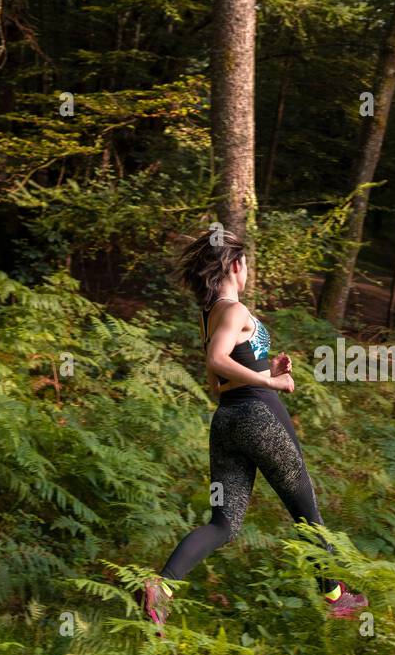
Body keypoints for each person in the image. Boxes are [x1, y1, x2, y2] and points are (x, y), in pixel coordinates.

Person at [142, 228, 369, 631]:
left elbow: (217, 381)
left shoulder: (209, 316)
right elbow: (217, 359)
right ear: (235, 265)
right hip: (261, 418)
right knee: (306, 514)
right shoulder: (233, 310)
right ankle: (337, 597)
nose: (247, 271)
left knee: (223, 524)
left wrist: (266, 369)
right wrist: (271, 384)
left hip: (227, 421)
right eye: (245, 264)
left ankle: (162, 587)